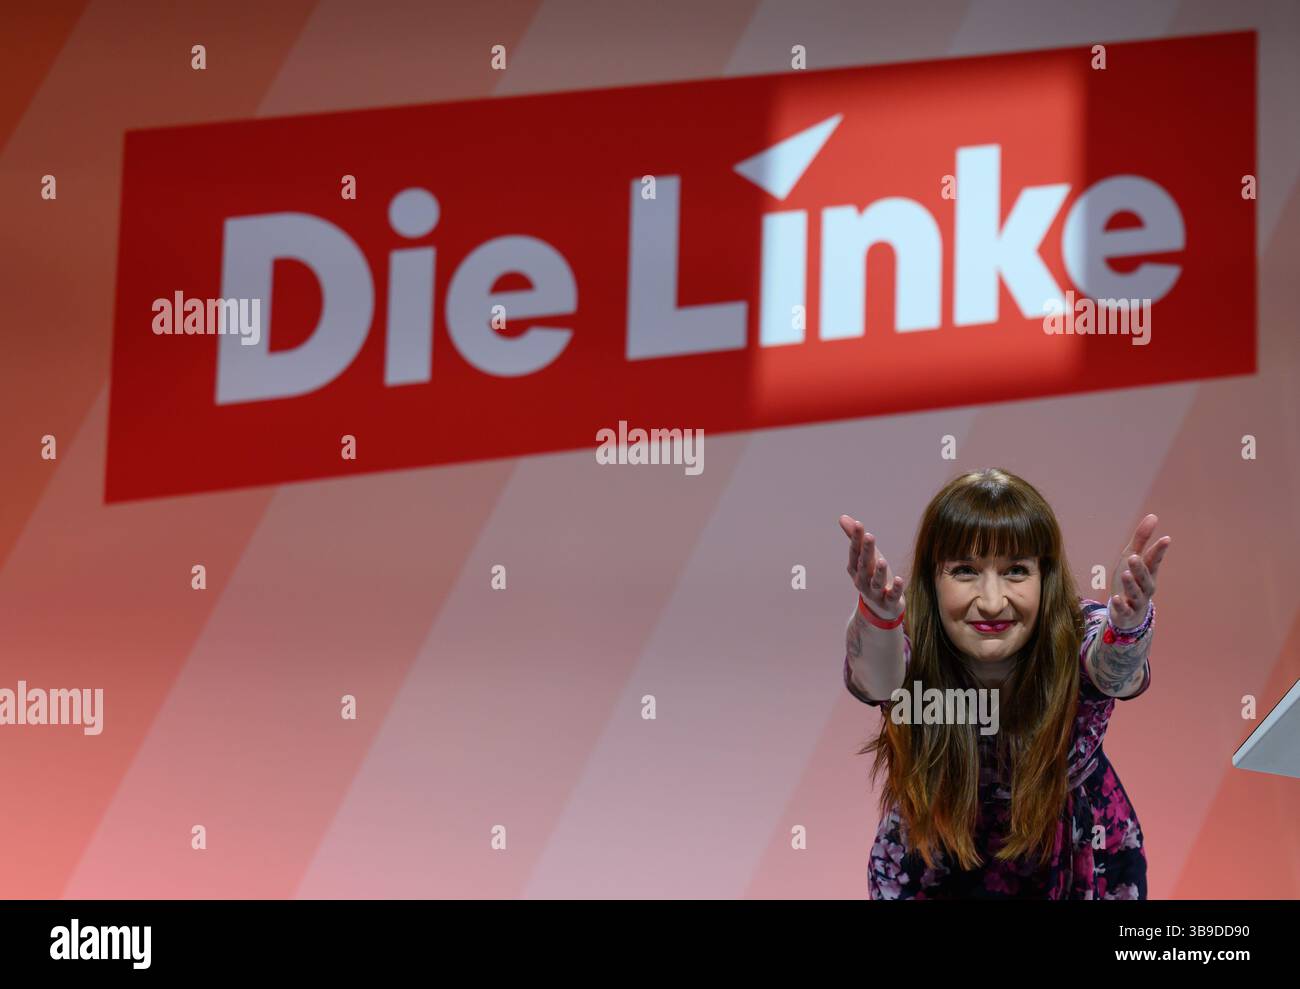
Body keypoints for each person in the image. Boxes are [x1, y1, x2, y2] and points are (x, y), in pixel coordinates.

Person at [839, 468, 1171, 899]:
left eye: (1016, 570)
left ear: (1044, 578)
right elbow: (877, 678)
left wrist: (1126, 625)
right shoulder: (911, 642)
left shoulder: (1076, 629)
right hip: (935, 864)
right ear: (932, 581)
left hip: (1078, 863)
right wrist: (877, 618)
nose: (992, 602)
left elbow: (1113, 671)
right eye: (964, 570)